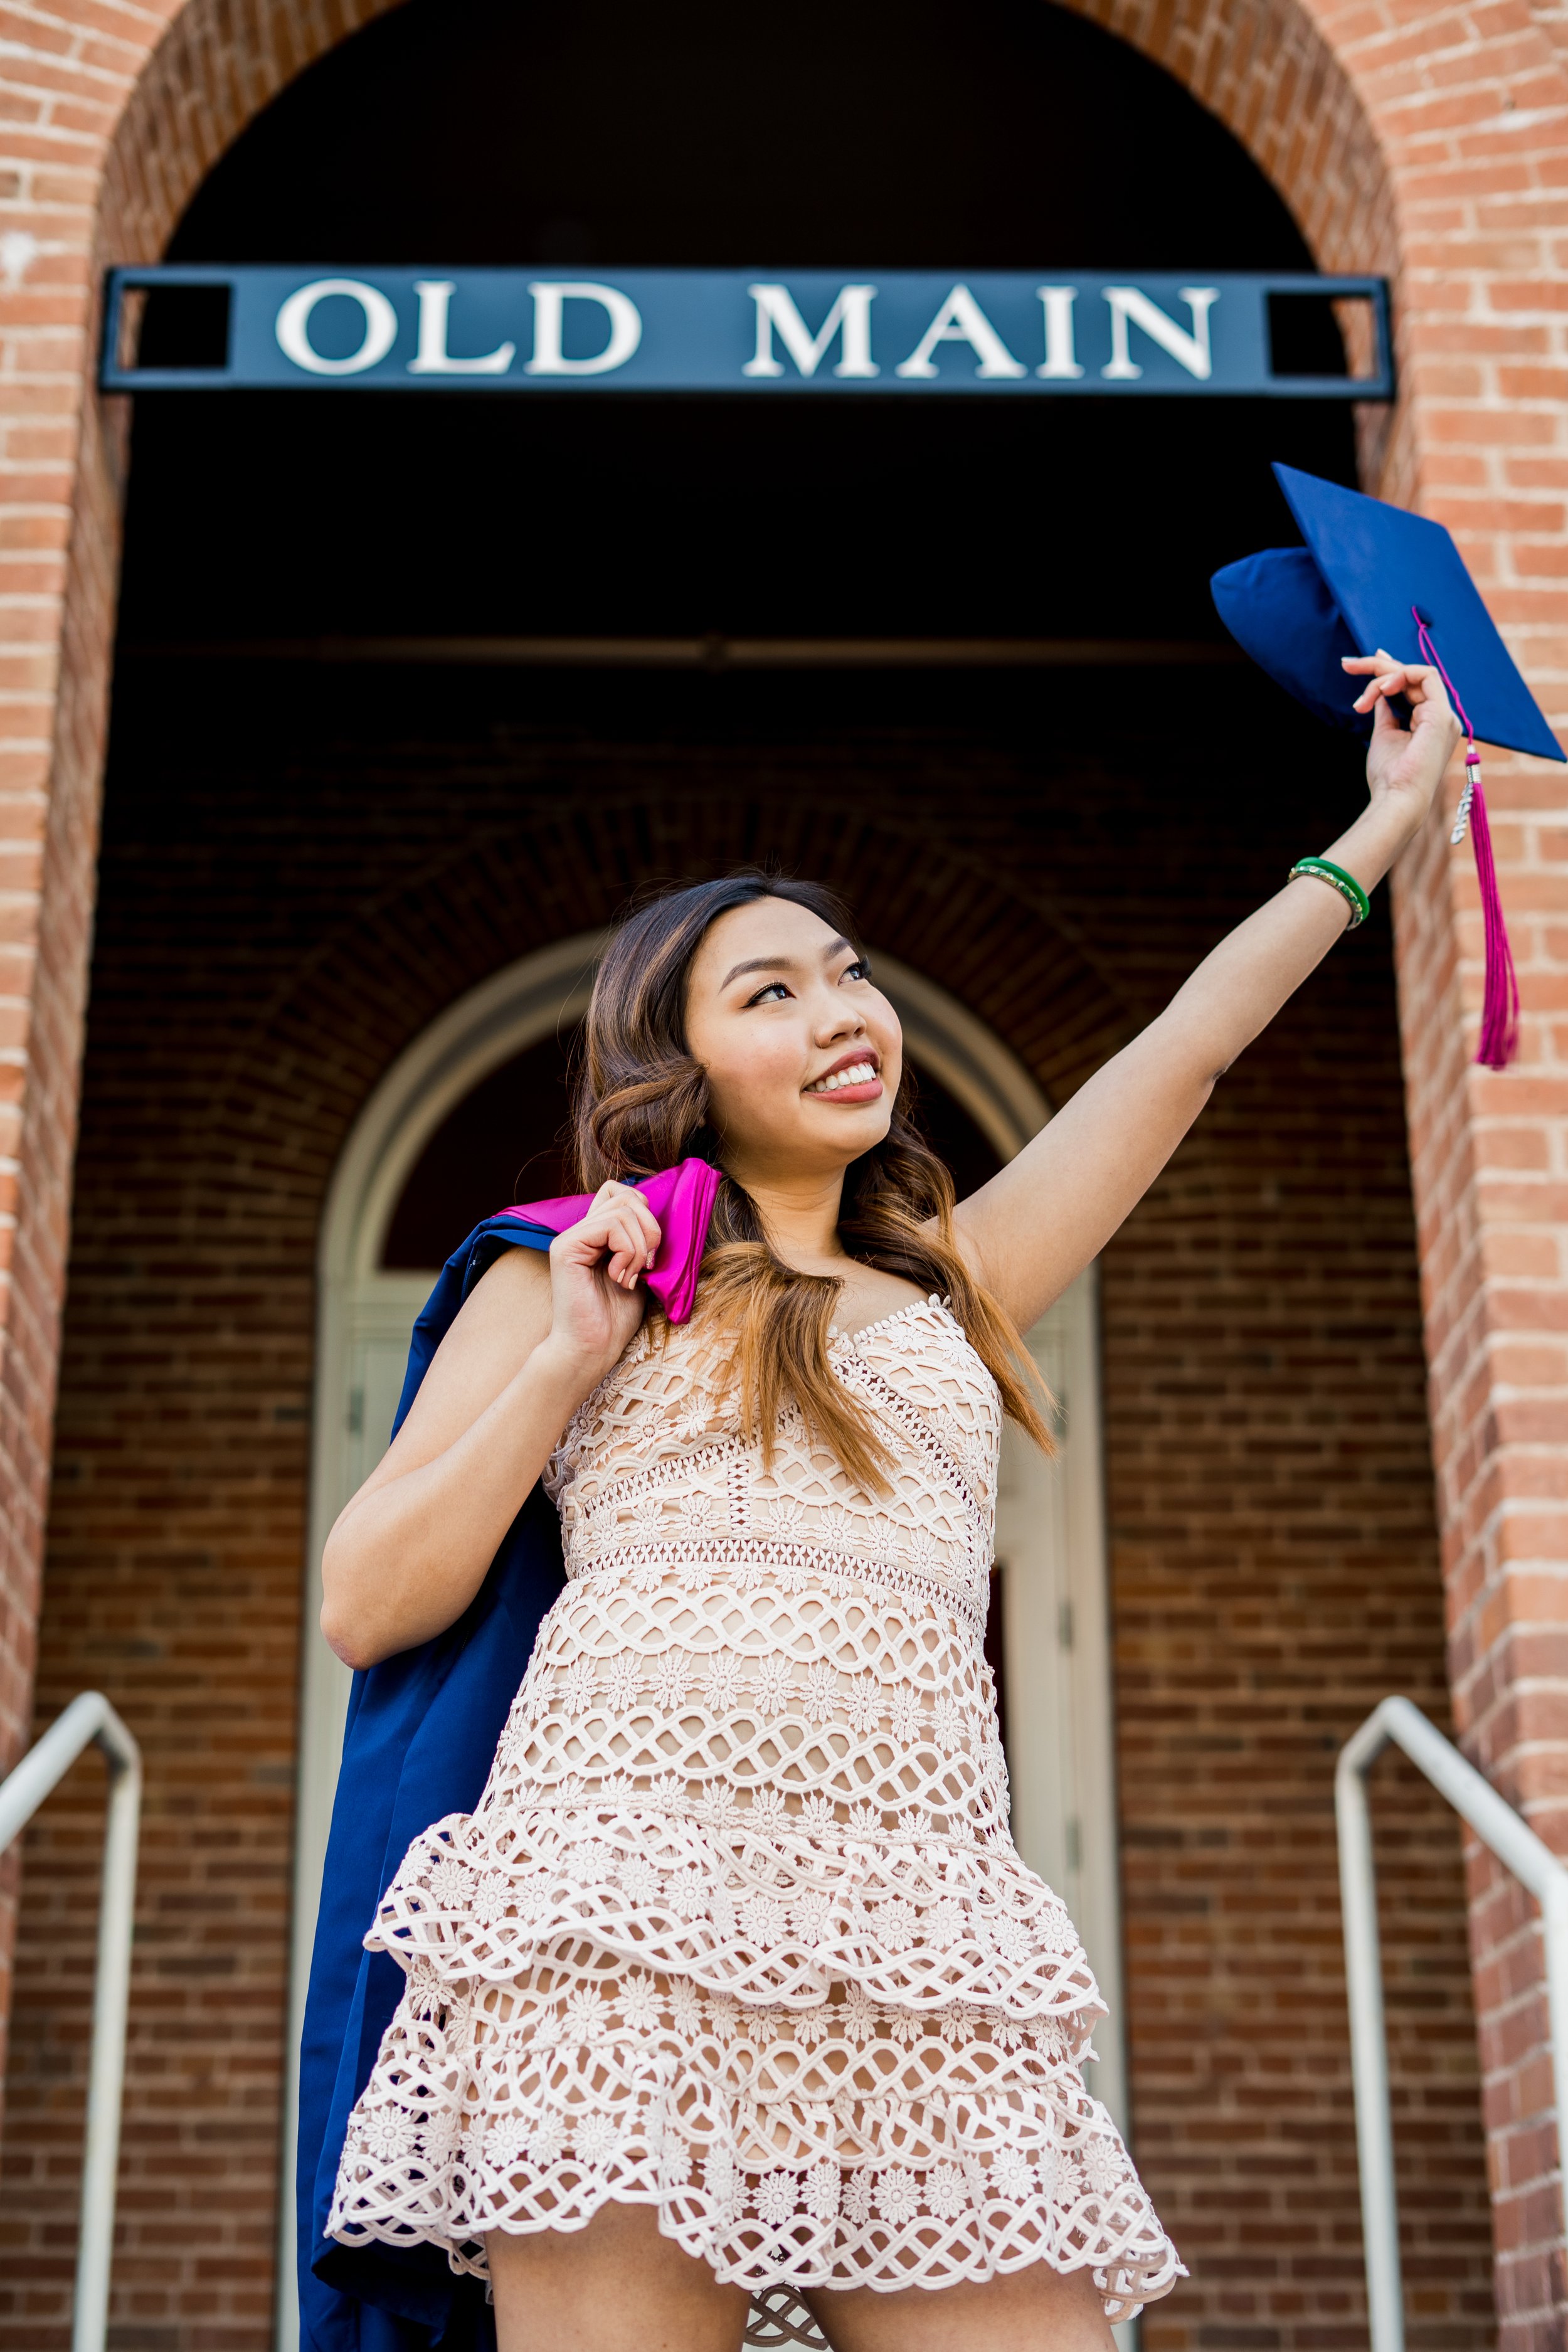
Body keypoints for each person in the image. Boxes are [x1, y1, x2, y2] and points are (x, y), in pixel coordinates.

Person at [315, 648, 1459, 2352]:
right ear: (675, 1059)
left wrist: (1378, 830)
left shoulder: (959, 1279)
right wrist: (565, 1361)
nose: (838, 1012)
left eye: (844, 976)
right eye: (765, 992)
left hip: (917, 1934)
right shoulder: (574, 1271)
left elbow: (1186, 1048)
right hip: (623, 1918)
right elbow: (366, 1601)